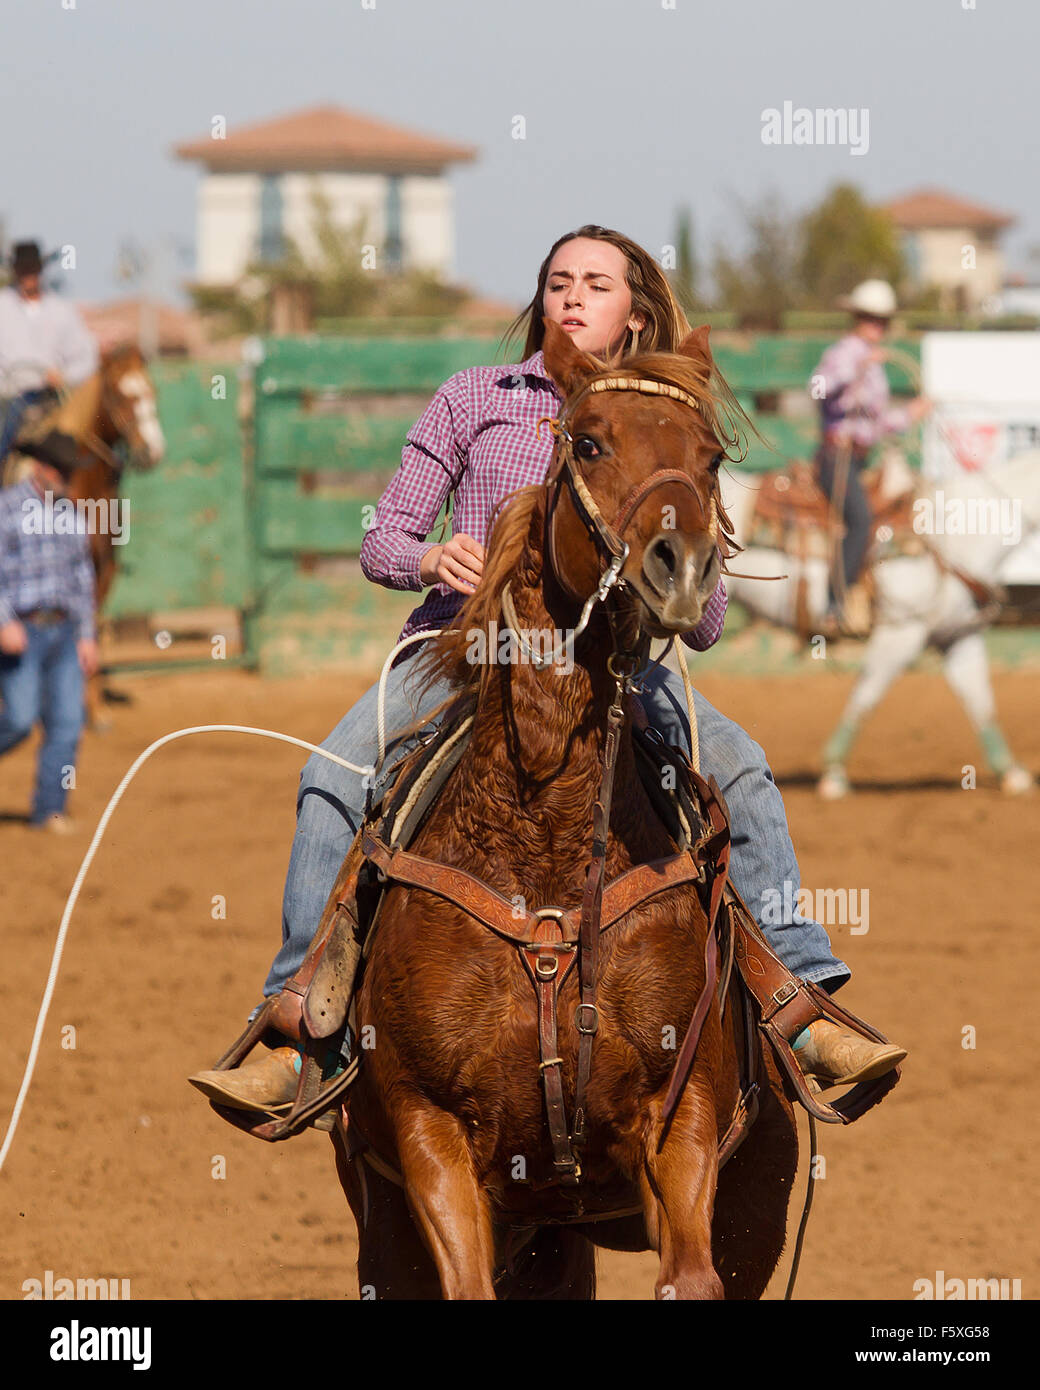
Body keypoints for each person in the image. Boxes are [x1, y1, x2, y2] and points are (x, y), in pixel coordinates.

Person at [190, 226, 905, 1114]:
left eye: (596, 284)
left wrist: (681, 583)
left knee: (747, 773)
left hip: (615, 673)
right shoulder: (473, 397)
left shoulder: (667, 423)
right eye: (559, 280)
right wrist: (427, 559)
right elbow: (383, 538)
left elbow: (709, 620)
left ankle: (802, 1010)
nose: (572, 295)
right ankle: (297, 1030)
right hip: (463, 653)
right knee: (329, 776)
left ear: (634, 312)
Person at [810, 279, 931, 636]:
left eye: (881, 321)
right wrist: (853, 371)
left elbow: (876, 423)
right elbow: (816, 387)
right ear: (858, 319)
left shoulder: (875, 365)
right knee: (860, 519)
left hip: (861, 457)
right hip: (837, 456)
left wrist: (911, 414)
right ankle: (834, 604)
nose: (876, 327)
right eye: (870, 319)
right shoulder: (843, 354)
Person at [0, 429, 98, 830]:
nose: (65, 476)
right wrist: (3, 621)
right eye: (60, 468)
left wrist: (88, 634)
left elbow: (82, 575)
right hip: (22, 629)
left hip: (65, 631)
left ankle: (49, 809)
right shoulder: (7, 508)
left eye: (68, 470)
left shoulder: (72, 513)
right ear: (40, 466)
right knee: (21, 719)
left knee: (68, 723)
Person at [0, 241, 99, 466]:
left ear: (41, 271)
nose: (29, 275)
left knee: (89, 436)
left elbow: (86, 355)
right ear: (15, 271)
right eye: (24, 270)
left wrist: (65, 376)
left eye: (33, 270)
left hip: (50, 395)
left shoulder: (61, 310)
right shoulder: (2, 306)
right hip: (9, 397)